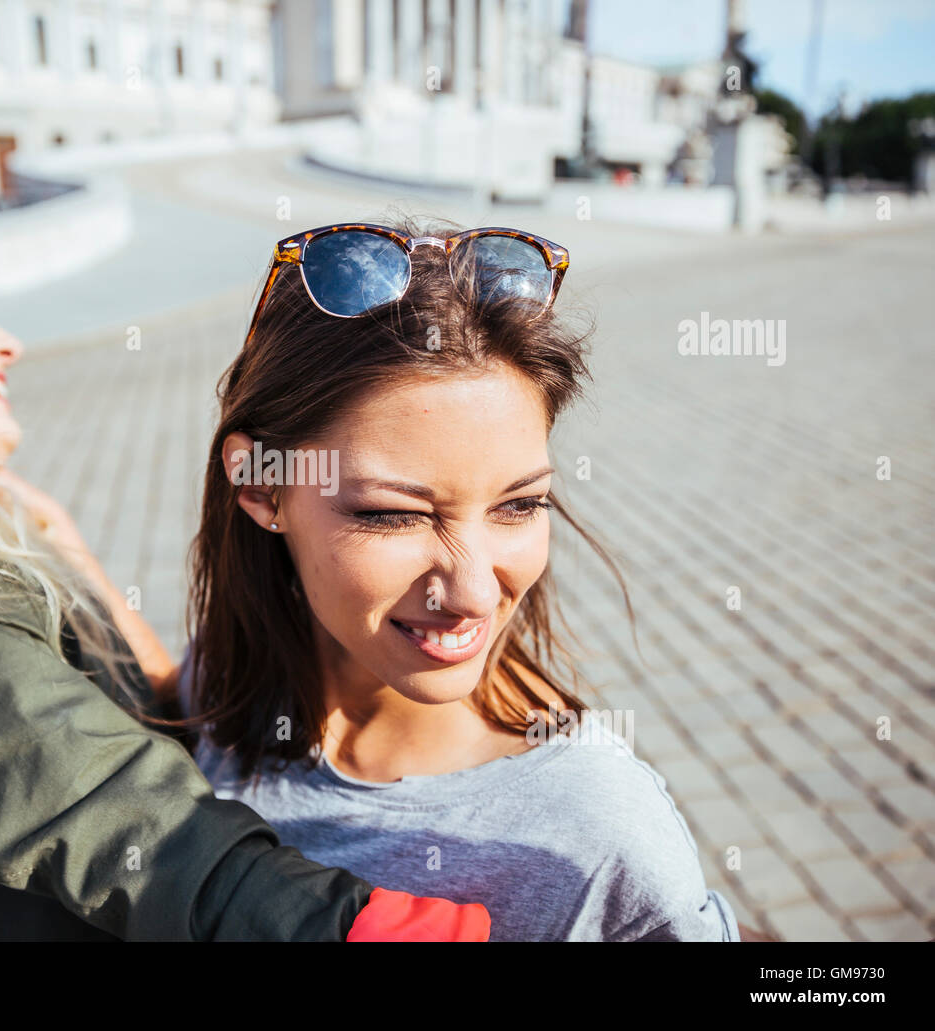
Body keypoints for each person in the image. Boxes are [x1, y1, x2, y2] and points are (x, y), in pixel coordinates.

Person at [0, 231, 489, 941]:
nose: (6, 343)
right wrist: (358, 926)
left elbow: (157, 719)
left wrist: (69, 553)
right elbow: (112, 809)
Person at [179, 214, 767, 942]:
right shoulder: (225, 677)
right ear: (264, 488)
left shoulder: (592, 834)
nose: (476, 595)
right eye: (393, 514)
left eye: (520, 504)